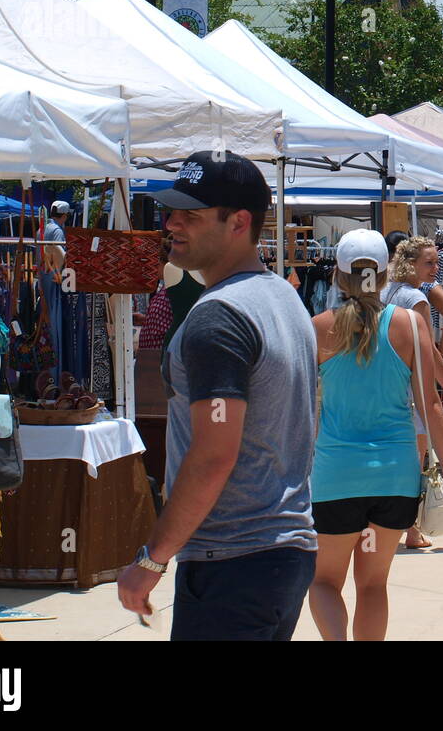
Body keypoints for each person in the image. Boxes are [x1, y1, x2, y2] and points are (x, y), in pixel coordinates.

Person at [117, 150, 317, 641]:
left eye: (192, 214)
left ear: (238, 222)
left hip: (234, 559)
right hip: (277, 554)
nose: (172, 224)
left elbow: (213, 455)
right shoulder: (283, 297)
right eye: (171, 212)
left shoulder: (220, 316)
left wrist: (152, 559)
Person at [308, 230, 443, 641]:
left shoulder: (319, 328)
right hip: (395, 474)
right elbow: (430, 405)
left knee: (325, 581)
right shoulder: (410, 324)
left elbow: (305, 411)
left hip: (335, 473)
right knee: (373, 584)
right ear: (383, 275)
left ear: (338, 277)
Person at [384, 235, 443, 550]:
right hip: (410, 384)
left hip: (388, 381)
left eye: (436, 261)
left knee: (402, 459)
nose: (435, 268)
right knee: (416, 461)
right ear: (410, 264)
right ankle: (411, 528)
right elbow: (429, 352)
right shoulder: (415, 298)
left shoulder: (385, 291)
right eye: (429, 263)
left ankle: (406, 527)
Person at [39, 199, 70, 381]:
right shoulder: (57, 231)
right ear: (64, 215)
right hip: (54, 279)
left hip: (43, 278)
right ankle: (54, 375)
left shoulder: (41, 229)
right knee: (54, 326)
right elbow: (59, 254)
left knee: (47, 324)